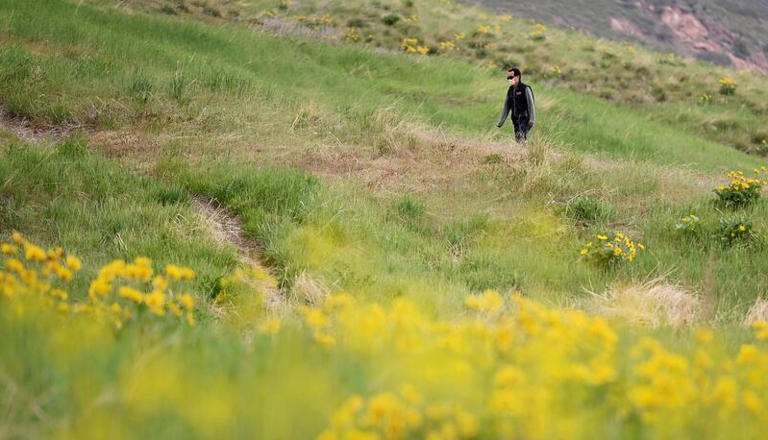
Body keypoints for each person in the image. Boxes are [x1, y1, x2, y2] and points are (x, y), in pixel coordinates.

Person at [496, 67, 535, 143]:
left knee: (520, 136)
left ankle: (523, 152)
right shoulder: (510, 90)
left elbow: (531, 105)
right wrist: (501, 122)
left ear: (517, 77)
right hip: (515, 119)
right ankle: (523, 152)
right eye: (508, 78)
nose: (509, 79)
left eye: (511, 77)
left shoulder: (525, 89)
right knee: (518, 138)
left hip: (525, 118)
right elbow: (506, 107)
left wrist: (532, 120)